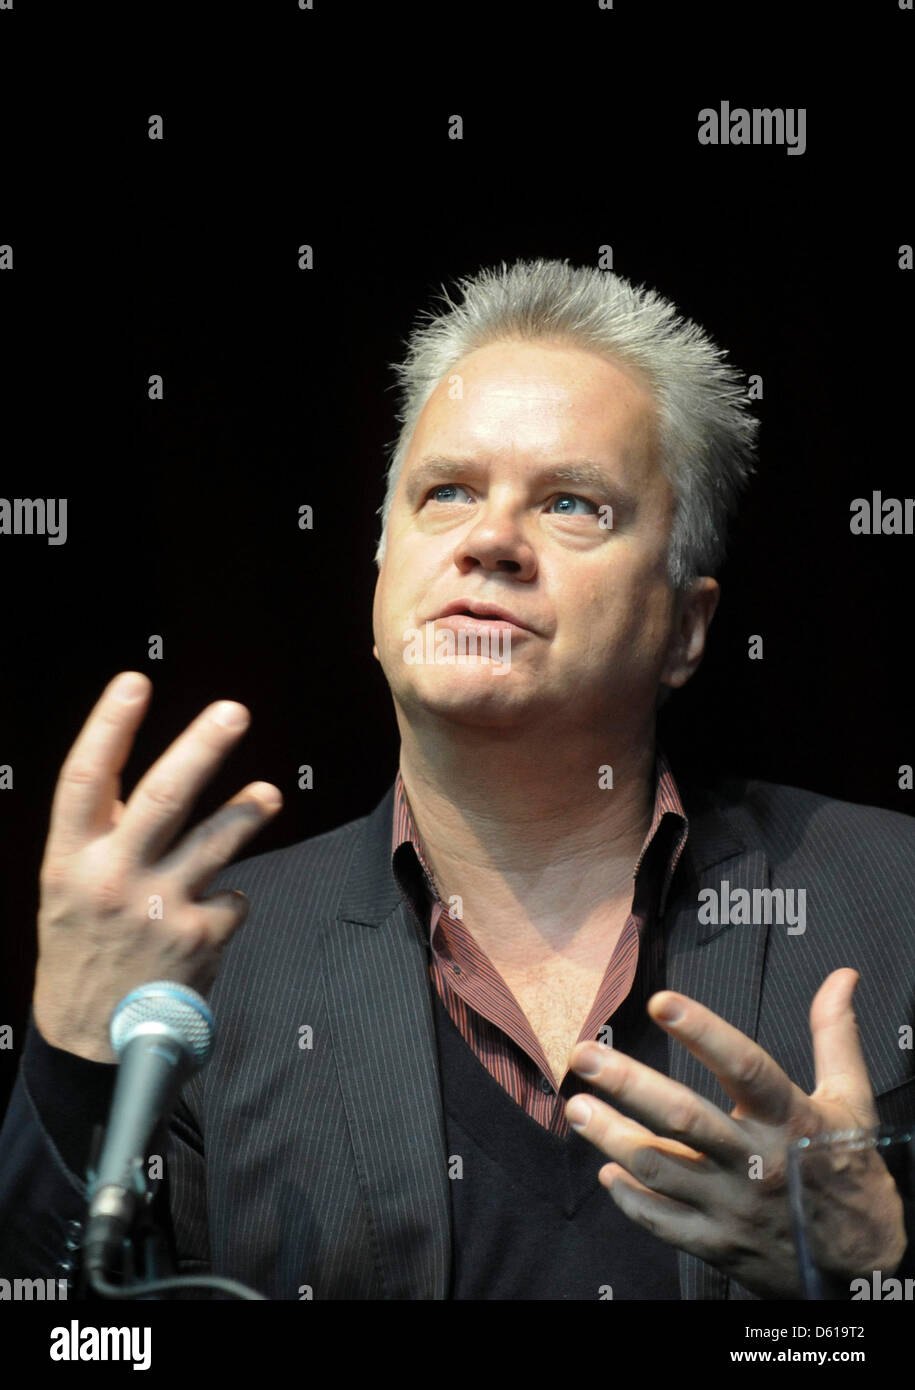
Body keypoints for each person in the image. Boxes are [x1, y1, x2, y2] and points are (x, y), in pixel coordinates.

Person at [2, 259, 913, 1301]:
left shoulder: (896, 899)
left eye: (572, 503)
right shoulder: (209, 971)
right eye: (447, 493)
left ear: (687, 627)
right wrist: (75, 1050)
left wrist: (878, 1266)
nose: (489, 541)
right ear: (381, 573)